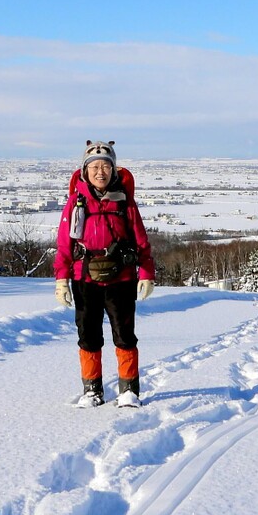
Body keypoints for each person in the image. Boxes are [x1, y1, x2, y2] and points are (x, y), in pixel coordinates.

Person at [54, 140, 155, 407]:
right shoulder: (76, 204)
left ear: (113, 170)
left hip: (121, 278)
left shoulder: (125, 202)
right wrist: (61, 279)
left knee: (124, 334)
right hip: (84, 277)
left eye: (106, 167)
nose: (101, 172)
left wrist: (146, 273)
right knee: (88, 335)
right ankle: (92, 390)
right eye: (95, 167)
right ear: (85, 171)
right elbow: (65, 244)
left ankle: (128, 390)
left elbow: (141, 240)